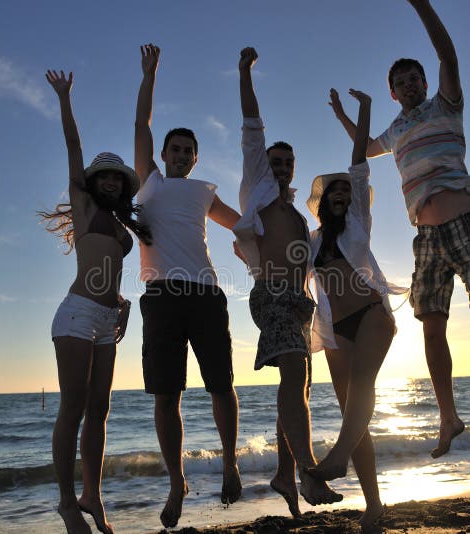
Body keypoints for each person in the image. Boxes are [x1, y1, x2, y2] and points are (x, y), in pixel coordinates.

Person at [329, 0, 470, 467]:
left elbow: (449, 56)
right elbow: (363, 147)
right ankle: (449, 417)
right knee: (430, 324)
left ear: (425, 82)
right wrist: (346, 113)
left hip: (465, 221)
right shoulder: (396, 128)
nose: (408, 85)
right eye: (399, 82)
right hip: (425, 238)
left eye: (414, 78)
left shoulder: (446, 104)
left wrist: (420, 6)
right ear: (392, 93)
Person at [134, 44, 243, 529]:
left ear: (195, 159)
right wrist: (150, 75)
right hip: (160, 297)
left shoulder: (202, 191)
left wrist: (281, 248)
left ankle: (230, 462)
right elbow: (141, 127)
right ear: (163, 156)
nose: (179, 156)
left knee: (222, 384)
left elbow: (241, 227)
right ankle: (176, 482)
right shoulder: (151, 184)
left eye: (186, 152)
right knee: (166, 393)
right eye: (173, 150)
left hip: (204, 294)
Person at [40, 70, 152, 534]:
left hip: (108, 318)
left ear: (122, 185)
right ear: (94, 182)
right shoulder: (85, 208)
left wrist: (122, 303)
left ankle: (93, 495)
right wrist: (65, 99)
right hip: (77, 313)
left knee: (100, 411)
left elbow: (112, 272)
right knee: (73, 405)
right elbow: (71, 148)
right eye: (102, 176)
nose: (109, 182)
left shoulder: (123, 224)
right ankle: (67, 503)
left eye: (115, 178)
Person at [233, 47, 342, 518]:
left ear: (294, 170)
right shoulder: (258, 195)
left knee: (298, 389)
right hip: (269, 294)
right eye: (274, 162)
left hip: (300, 305)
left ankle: (283, 472)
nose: (279, 169)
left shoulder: (298, 216)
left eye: (286, 164)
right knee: (295, 376)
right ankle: (309, 471)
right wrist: (245, 73)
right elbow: (252, 129)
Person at [305, 88, 406, 531]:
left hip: (371, 314)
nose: (344, 191)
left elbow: (359, 165)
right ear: (324, 199)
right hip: (334, 329)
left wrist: (361, 112)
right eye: (336, 190)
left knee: (363, 388)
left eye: (348, 188)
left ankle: (337, 459)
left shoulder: (359, 221)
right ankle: (374, 506)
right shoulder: (310, 242)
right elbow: (282, 270)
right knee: (353, 415)